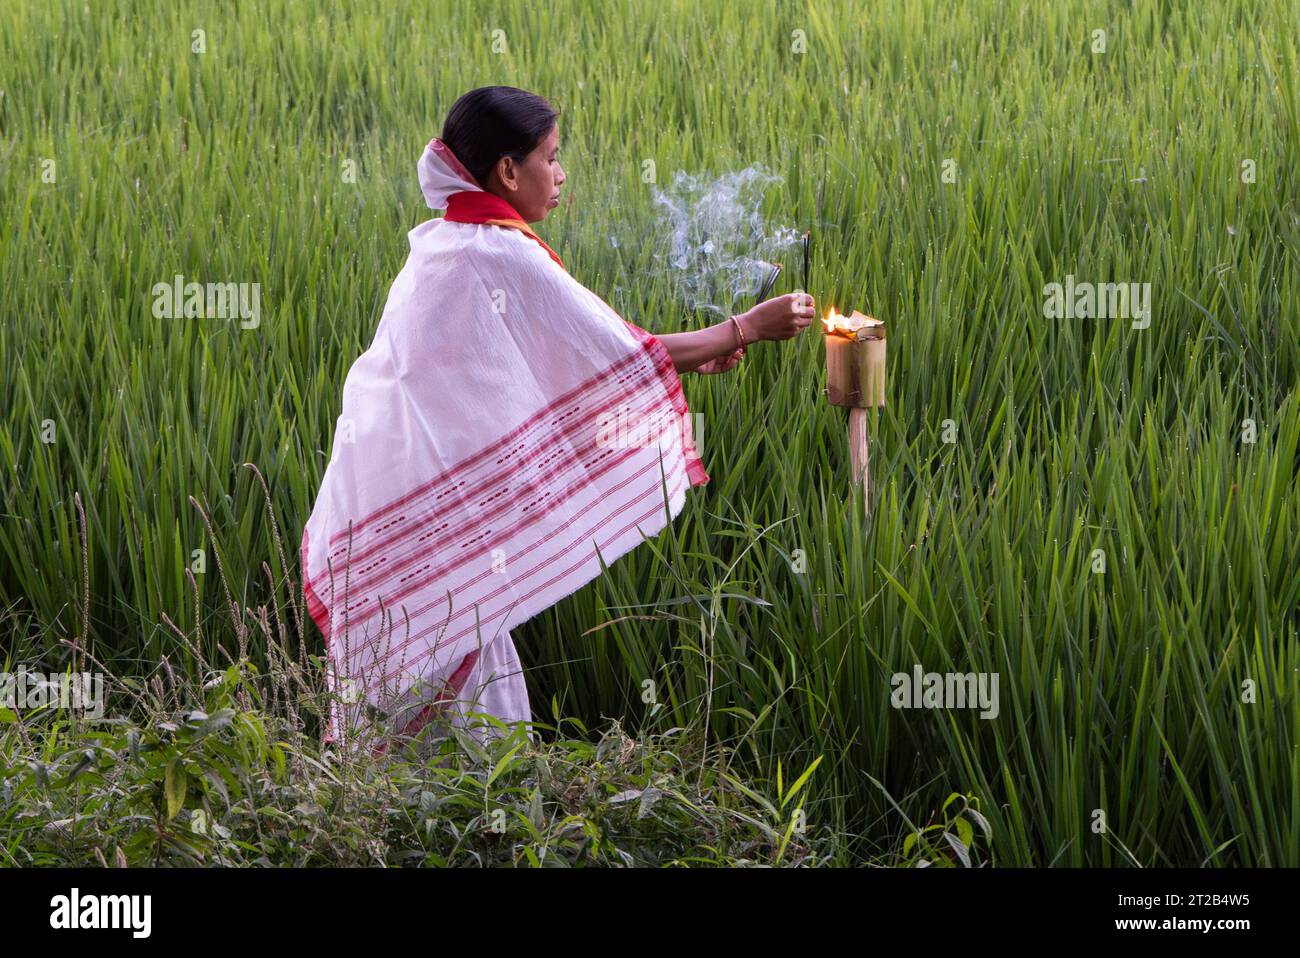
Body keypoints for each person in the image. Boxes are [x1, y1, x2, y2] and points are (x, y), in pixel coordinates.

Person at [300, 85, 815, 754]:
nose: (562, 173)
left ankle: (373, 832)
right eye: (551, 156)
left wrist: (699, 351)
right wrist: (745, 326)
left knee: (414, 707)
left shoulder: (446, 242)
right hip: (431, 534)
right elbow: (620, 355)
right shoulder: (495, 253)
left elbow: (593, 355)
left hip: (382, 516)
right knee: (465, 731)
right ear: (508, 171)